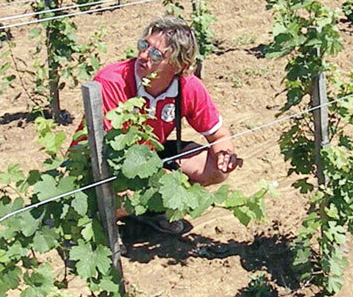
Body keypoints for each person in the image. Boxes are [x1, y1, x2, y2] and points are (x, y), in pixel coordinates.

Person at [91, 16, 243, 233]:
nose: (143, 56)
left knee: (212, 170)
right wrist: (162, 178)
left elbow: (219, 135)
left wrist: (224, 156)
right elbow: (109, 152)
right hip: (107, 161)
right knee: (147, 189)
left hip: (150, 155)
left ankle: (150, 210)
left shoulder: (187, 87)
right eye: (144, 45)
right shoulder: (112, 81)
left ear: (177, 65)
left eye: (155, 54)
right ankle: (103, 222)